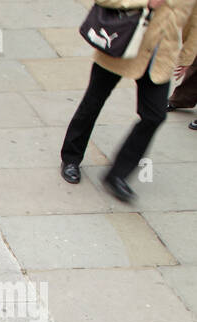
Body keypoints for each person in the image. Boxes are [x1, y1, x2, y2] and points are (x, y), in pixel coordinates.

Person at [61, 0, 197, 201]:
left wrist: (187, 55)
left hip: (160, 57)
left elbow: (194, 19)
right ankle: (71, 158)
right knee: (93, 101)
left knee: (154, 116)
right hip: (123, 41)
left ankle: (117, 175)